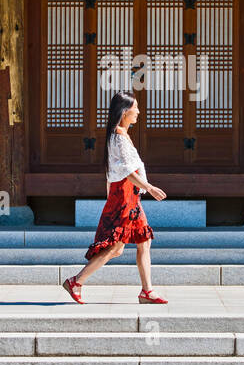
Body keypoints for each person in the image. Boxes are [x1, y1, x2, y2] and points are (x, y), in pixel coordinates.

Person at [62, 91, 168, 304]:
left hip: (130, 196)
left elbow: (116, 171)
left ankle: (147, 291)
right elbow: (127, 171)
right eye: (135, 107)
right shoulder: (118, 137)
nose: (138, 111)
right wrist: (150, 187)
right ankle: (76, 281)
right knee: (116, 247)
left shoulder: (120, 136)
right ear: (124, 111)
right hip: (125, 197)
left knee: (143, 242)